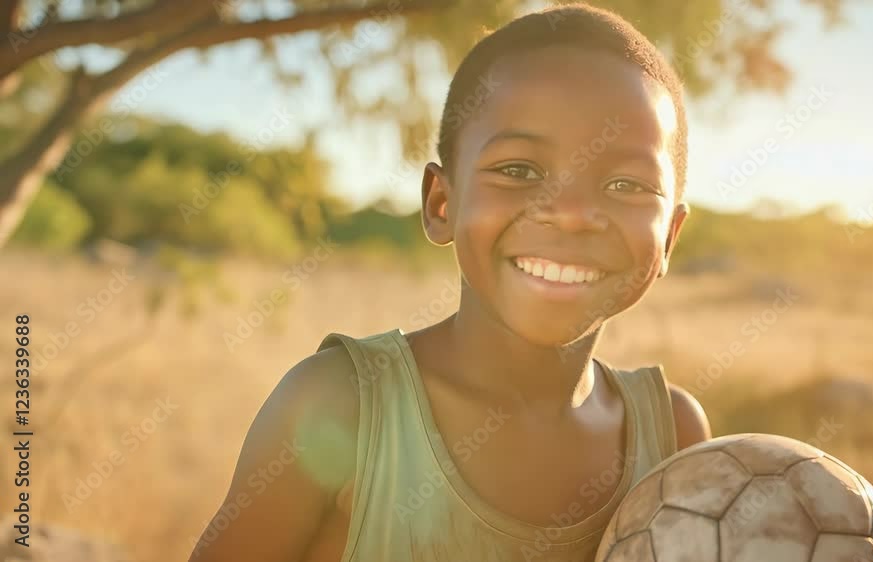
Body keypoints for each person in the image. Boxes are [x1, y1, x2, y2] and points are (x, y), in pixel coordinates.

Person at [189, 3, 711, 561]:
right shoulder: (342, 407)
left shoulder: (674, 436)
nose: (571, 213)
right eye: (519, 171)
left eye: (627, 183)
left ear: (670, 238)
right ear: (442, 202)